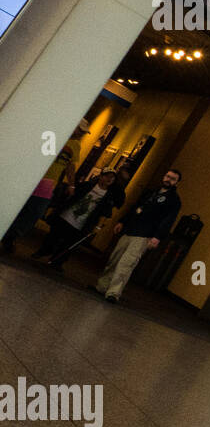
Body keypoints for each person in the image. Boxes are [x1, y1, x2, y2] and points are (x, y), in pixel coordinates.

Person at [95, 168, 182, 303]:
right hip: (130, 229)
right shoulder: (151, 192)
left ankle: (113, 293)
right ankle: (102, 286)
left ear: (176, 183)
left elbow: (168, 220)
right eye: (167, 176)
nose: (168, 180)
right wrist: (123, 221)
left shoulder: (173, 200)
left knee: (126, 264)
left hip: (144, 235)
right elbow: (135, 206)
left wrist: (157, 236)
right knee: (115, 259)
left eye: (172, 179)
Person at [2, 118, 88, 253]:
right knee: (13, 205)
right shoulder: (52, 135)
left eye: (83, 132)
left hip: (48, 184)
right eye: (80, 130)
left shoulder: (75, 146)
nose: (81, 134)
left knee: (35, 213)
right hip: (31, 177)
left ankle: (11, 236)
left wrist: (72, 185)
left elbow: (70, 167)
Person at [33, 170, 121, 269]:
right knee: (53, 235)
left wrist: (98, 226)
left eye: (112, 178)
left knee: (69, 243)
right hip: (67, 215)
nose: (109, 179)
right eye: (107, 176)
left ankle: (56, 261)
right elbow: (71, 195)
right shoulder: (87, 185)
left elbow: (105, 213)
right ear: (100, 176)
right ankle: (44, 251)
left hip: (82, 223)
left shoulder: (108, 196)